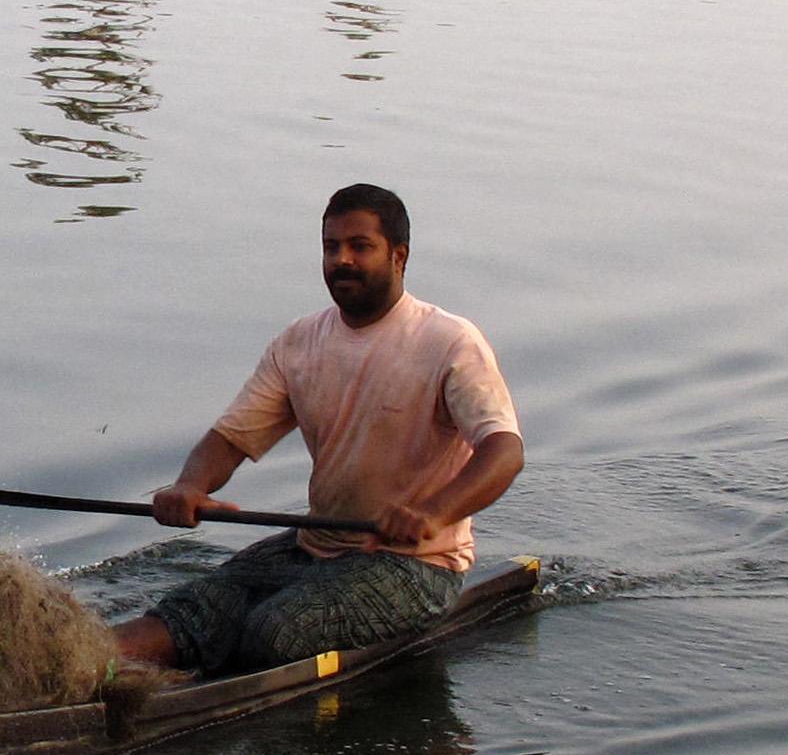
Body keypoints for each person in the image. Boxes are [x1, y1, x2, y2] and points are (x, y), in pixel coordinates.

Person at [113, 183, 523, 677]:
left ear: (399, 256)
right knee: (175, 618)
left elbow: (504, 452)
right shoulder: (299, 342)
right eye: (331, 247)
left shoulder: (450, 341)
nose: (341, 261)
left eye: (359, 246)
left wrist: (433, 513)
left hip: (416, 566)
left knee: (272, 634)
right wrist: (189, 486)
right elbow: (230, 438)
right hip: (312, 547)